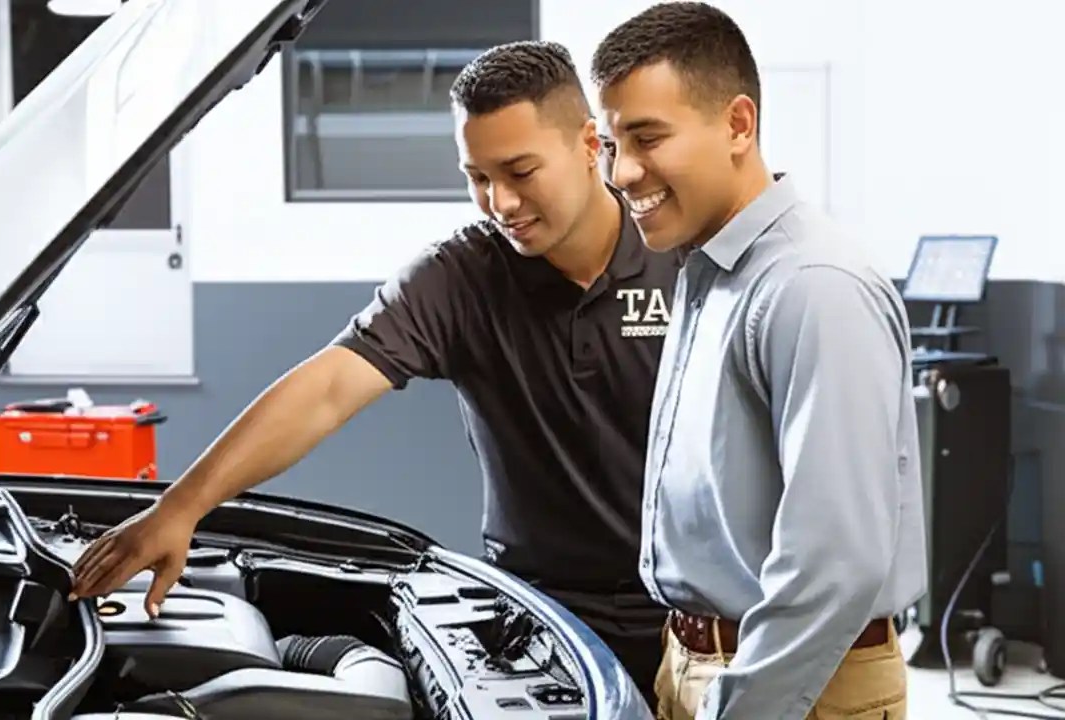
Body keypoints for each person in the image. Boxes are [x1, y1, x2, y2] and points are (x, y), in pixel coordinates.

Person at [68, 40, 680, 708]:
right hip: (547, 627)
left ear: (590, 144)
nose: (499, 203)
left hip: (692, 622)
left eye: (521, 171)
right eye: (476, 177)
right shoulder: (460, 277)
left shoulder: (682, 257)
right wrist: (180, 508)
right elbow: (328, 388)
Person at [589, 3, 927, 718]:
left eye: (648, 138)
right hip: (699, 665)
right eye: (612, 145)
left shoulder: (811, 286)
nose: (622, 172)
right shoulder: (707, 272)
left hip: (798, 685)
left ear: (739, 125)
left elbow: (834, 564)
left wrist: (739, 707)